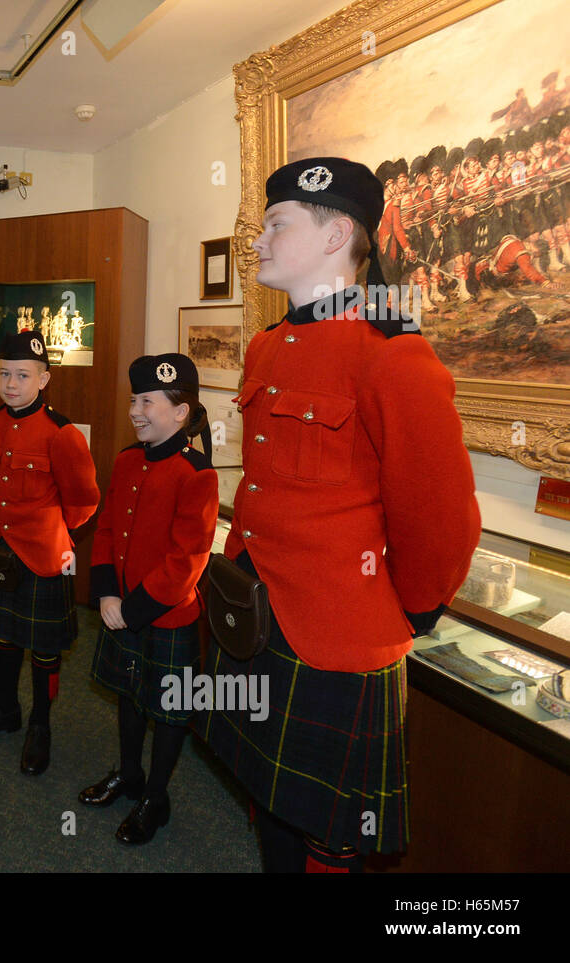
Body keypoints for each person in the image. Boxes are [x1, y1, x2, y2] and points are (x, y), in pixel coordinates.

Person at [194, 156, 481, 872]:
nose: (256, 241)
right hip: (256, 616)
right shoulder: (266, 345)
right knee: (270, 801)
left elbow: (440, 517)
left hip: (334, 636)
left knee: (331, 834)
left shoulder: (393, 354)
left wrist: (408, 615)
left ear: (335, 236)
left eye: (276, 225)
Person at [79, 354, 216, 844]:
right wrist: (106, 593)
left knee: (169, 710)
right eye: (135, 399)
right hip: (122, 609)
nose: (137, 410)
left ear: (181, 412)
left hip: (167, 619)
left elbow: (187, 561)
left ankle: (156, 797)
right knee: (130, 695)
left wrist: (131, 609)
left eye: (149, 402)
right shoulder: (126, 460)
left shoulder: (196, 472)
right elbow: (108, 528)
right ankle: (129, 774)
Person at [0, 332, 99, 774]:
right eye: (4, 374)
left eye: (22, 375)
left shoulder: (63, 434)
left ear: (44, 379)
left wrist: (52, 532)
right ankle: (5, 709)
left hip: (43, 556)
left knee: (42, 645)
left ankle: (41, 724)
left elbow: (84, 502)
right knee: (4, 633)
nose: (11, 383)